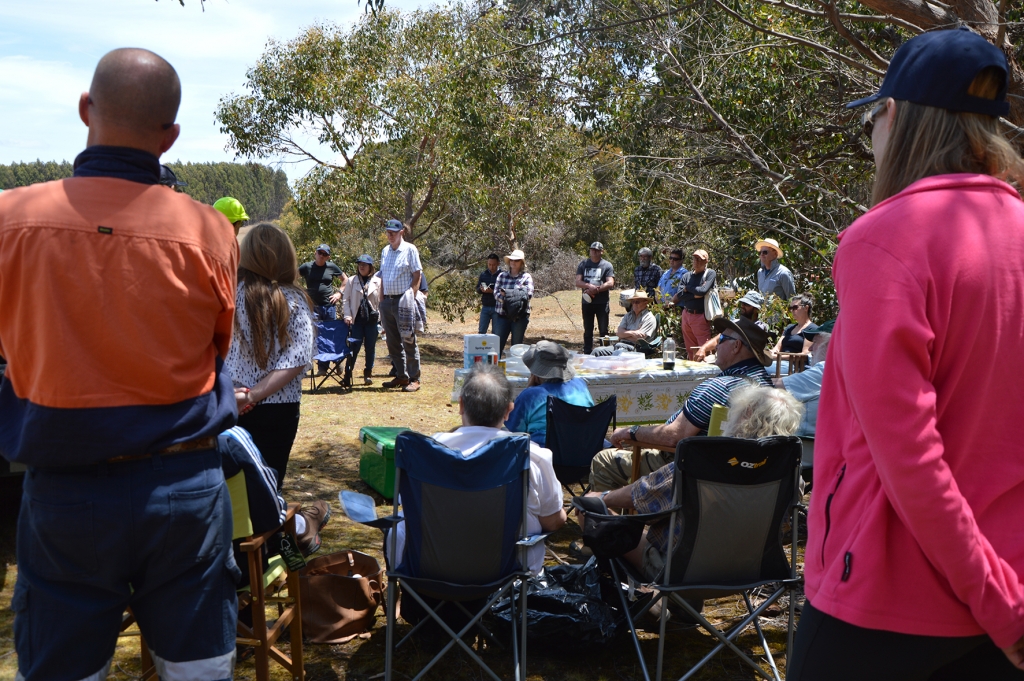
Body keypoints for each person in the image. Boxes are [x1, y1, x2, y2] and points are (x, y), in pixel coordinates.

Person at [791, 29, 1024, 680]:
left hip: (885, 607)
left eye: (872, 121)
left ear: (890, 116)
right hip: (1005, 599)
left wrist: (999, 604)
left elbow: (911, 459)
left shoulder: (883, 240)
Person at [0, 48, 240, 681]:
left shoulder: (11, 219)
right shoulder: (212, 232)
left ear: (86, 110)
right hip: (184, 488)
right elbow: (218, 348)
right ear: (171, 136)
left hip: (65, 489)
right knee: (198, 669)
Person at [584, 385, 801, 581]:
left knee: (590, 512)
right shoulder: (791, 476)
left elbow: (639, 497)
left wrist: (599, 499)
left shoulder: (703, 465)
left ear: (745, 415)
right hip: (754, 570)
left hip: (679, 571)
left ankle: (656, 606)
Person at [389, 365, 567, 575]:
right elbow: (554, 521)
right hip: (505, 576)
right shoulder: (532, 456)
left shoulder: (423, 453)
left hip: (427, 571)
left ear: (461, 405)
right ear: (509, 410)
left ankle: (403, 603)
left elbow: (406, 505)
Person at [589, 316, 774, 491]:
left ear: (736, 347)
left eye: (722, 339)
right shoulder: (768, 386)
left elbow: (673, 437)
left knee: (603, 460)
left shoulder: (718, 388)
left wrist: (631, 432)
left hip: (692, 471)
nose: (715, 345)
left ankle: (618, 524)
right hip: (742, 475)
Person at [228, 223, 316, 490]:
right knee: (268, 486)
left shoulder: (229, 294)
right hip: (279, 407)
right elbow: (297, 358)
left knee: (234, 487)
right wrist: (254, 394)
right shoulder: (294, 299)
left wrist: (241, 394)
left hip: (231, 400)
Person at [505, 340, 595, 447]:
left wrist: (529, 389)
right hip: (584, 450)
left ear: (535, 371)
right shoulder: (581, 385)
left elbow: (512, 432)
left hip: (545, 456)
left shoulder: (531, 396)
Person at [379, 219, 424, 392]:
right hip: (387, 301)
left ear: (401, 233)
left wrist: (411, 297)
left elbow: (417, 275)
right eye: (388, 232)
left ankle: (415, 378)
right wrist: (381, 298)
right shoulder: (385, 251)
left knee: (408, 339)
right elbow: (383, 276)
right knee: (392, 342)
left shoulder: (410, 249)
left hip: (403, 301)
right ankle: (401, 375)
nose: (390, 236)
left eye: (393, 233)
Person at [774, 320, 832, 439]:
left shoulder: (826, 369)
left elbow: (774, 387)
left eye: (815, 342)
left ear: (831, 344)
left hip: (805, 448)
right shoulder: (845, 369)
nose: (810, 349)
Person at [298, 244, 347, 376]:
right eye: (320, 252)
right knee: (318, 336)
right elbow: (292, 277)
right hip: (313, 307)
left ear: (328, 257)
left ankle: (337, 361)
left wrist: (339, 293)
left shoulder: (331, 267)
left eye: (325, 254)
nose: (321, 256)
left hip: (329, 306)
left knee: (331, 335)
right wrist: (300, 292)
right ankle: (322, 368)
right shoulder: (306, 267)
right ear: (315, 253)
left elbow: (345, 280)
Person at [342, 254, 382, 387]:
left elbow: (381, 302)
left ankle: (368, 374)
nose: (361, 266)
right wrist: (347, 315)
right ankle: (347, 375)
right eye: (359, 264)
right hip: (356, 321)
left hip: (372, 321)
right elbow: (346, 300)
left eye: (364, 264)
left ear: (370, 267)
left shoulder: (378, 281)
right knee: (354, 348)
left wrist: (381, 319)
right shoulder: (352, 280)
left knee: (370, 348)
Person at [693, 290, 766, 361]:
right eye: (742, 303)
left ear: (756, 309)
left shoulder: (759, 328)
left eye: (747, 304)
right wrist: (703, 349)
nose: (743, 306)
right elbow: (717, 339)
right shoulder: (735, 322)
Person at [673, 249, 716, 360]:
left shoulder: (709, 274)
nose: (696, 261)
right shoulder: (686, 276)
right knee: (690, 349)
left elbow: (703, 291)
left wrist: (688, 288)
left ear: (706, 261)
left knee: (704, 349)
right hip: (686, 315)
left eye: (700, 259)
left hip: (700, 316)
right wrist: (694, 294)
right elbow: (680, 295)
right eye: (695, 258)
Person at [576, 241, 616, 354]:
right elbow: (578, 282)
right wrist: (588, 286)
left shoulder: (607, 265)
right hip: (587, 302)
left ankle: (606, 352)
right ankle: (587, 352)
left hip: (602, 303)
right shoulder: (583, 264)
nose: (594, 251)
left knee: (603, 330)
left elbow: (610, 283)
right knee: (588, 330)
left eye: (597, 250)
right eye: (592, 249)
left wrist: (597, 289)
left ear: (601, 252)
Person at [494, 249, 535, 357]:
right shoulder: (501, 276)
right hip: (502, 316)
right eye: (511, 260)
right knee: (496, 347)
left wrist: (507, 295)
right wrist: (515, 296)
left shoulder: (526, 277)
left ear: (521, 263)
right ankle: (493, 371)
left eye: (516, 260)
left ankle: (514, 372)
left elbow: (528, 294)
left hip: (519, 318)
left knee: (517, 349)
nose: (513, 262)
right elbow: (496, 293)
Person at [591, 291, 657, 355]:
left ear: (645, 302)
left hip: (635, 349)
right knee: (596, 351)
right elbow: (619, 333)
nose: (634, 304)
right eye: (633, 302)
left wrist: (624, 335)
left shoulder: (649, 318)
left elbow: (639, 339)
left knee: (617, 355)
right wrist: (633, 333)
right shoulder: (628, 315)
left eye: (637, 302)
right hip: (620, 345)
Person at [768, 292, 816, 359]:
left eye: (795, 307)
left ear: (806, 308)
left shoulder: (812, 329)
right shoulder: (789, 327)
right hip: (779, 362)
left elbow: (805, 354)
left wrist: (778, 357)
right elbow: (777, 348)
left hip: (795, 365)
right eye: (791, 308)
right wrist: (771, 353)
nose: (792, 311)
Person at [477, 253, 501, 334]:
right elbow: (477, 288)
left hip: (497, 307)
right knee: (481, 331)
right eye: (489, 264)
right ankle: (480, 347)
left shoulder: (502, 275)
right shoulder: (483, 274)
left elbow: (504, 291)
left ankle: (495, 347)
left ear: (498, 263)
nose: (491, 267)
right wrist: (481, 290)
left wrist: (492, 291)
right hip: (485, 306)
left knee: (496, 332)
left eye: (493, 265)